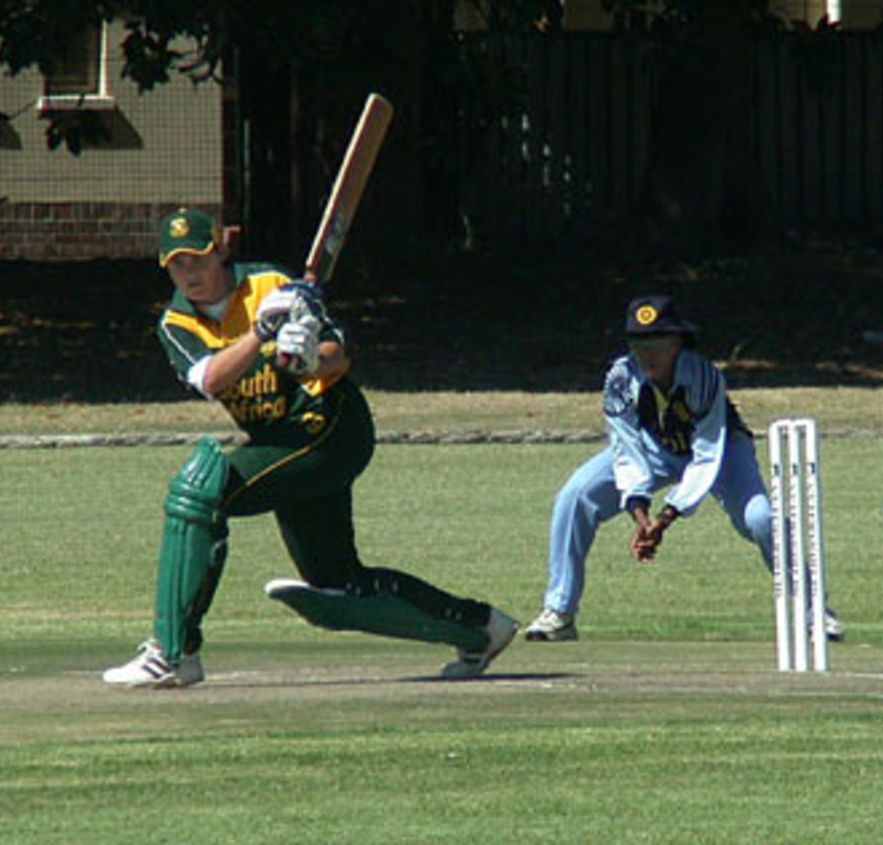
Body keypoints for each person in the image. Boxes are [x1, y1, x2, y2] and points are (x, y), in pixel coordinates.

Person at [103, 208, 517, 687]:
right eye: (177, 265)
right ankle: (481, 628)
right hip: (282, 442)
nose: (190, 274)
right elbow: (214, 379)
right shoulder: (176, 323)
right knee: (337, 586)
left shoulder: (272, 284)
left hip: (330, 426)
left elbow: (337, 354)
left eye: (198, 258)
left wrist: (306, 361)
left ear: (220, 251)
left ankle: (174, 653)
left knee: (199, 493)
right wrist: (263, 334)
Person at [524, 294, 844, 643]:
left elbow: (706, 455)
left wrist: (666, 517)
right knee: (575, 496)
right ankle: (560, 612)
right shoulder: (619, 377)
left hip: (722, 451)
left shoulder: (704, 376)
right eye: (639, 344)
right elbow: (626, 448)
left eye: (658, 343)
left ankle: (815, 612)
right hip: (653, 448)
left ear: (677, 343)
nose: (648, 354)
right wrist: (640, 512)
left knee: (761, 518)